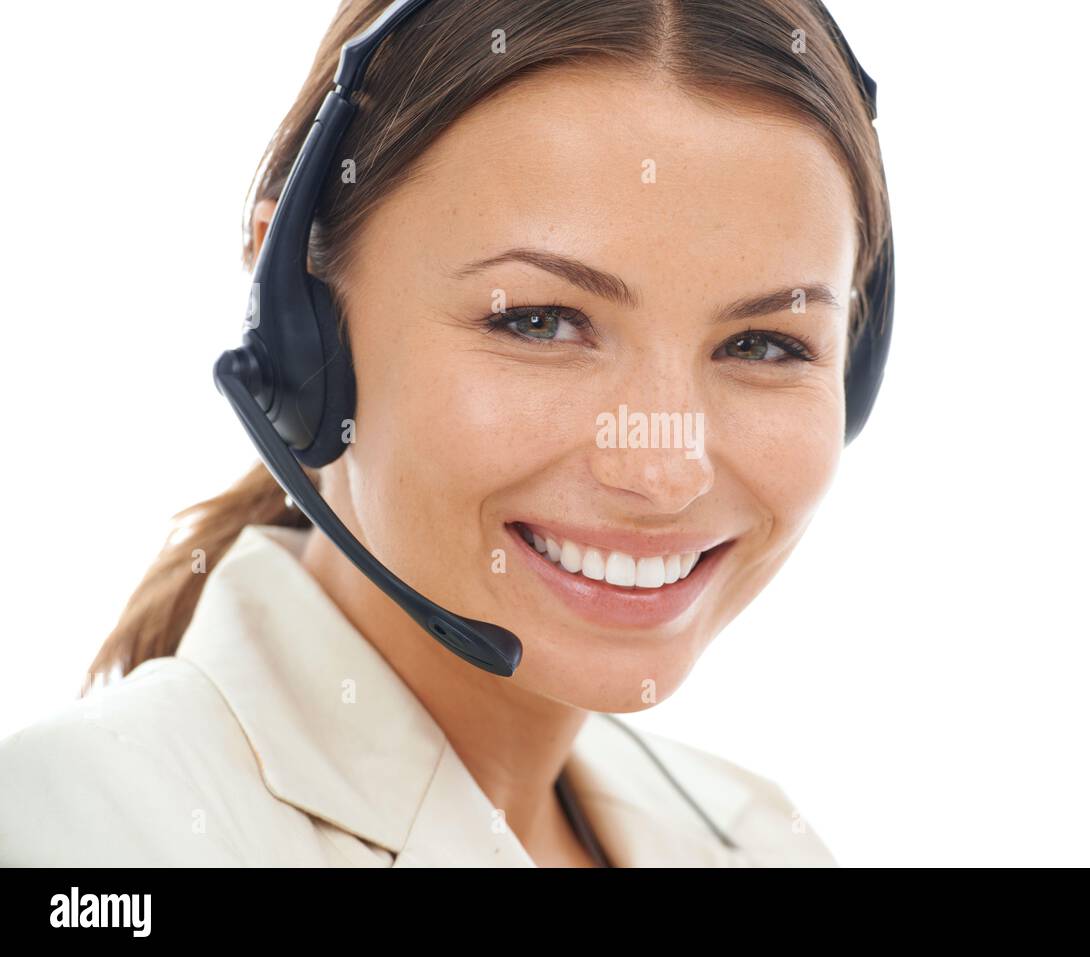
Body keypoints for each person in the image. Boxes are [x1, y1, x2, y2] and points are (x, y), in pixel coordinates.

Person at [0, 0, 890, 867]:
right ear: (302, 322)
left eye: (764, 344)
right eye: (540, 321)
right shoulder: (82, 828)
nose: (664, 469)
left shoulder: (762, 836)